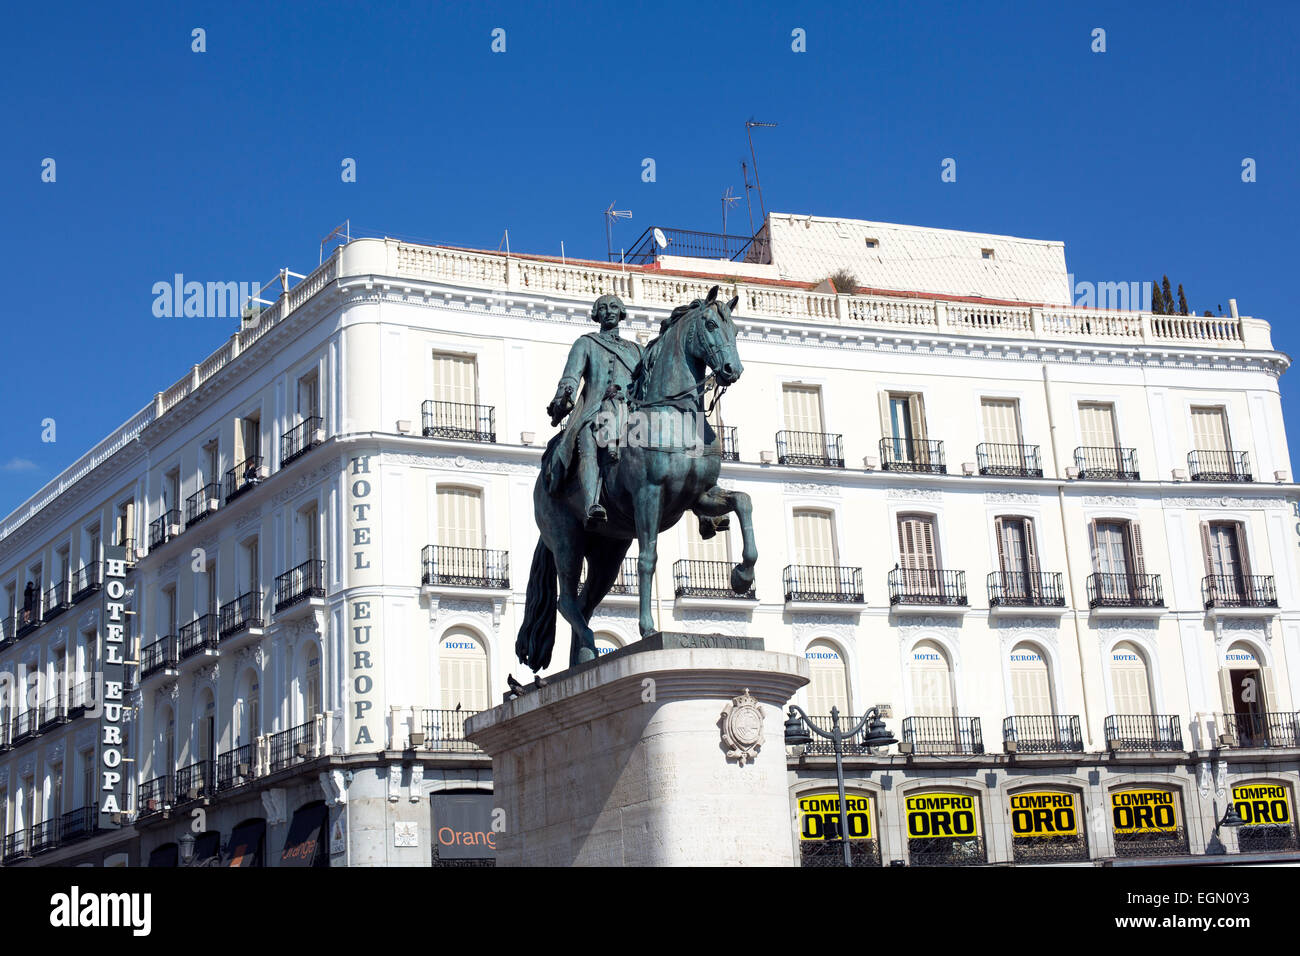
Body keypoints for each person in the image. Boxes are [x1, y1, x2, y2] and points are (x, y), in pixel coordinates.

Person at [545, 294, 643, 528]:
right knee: (587, 439)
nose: (609, 311)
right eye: (603, 308)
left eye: (614, 307)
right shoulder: (586, 343)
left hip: (632, 412)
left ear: (622, 313)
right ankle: (592, 503)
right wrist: (564, 395)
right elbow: (571, 376)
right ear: (596, 314)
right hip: (597, 409)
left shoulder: (638, 350)